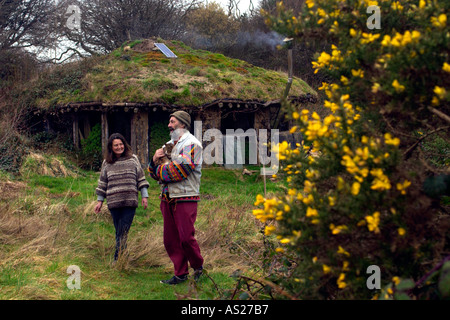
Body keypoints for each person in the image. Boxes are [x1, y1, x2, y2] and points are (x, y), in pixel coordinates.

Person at [148, 110, 204, 285]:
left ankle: (198, 267)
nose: (169, 125)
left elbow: (179, 171)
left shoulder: (193, 144)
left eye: (172, 122)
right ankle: (180, 273)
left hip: (186, 196)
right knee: (170, 239)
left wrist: (159, 170)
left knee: (186, 237)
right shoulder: (168, 144)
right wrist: (153, 161)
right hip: (167, 196)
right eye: (169, 122)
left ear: (183, 124)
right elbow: (152, 171)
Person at [95, 133, 149, 263]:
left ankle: (116, 259)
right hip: (114, 202)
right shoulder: (107, 163)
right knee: (119, 230)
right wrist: (99, 201)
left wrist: (144, 195)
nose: (119, 147)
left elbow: (141, 178)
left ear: (124, 144)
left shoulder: (133, 159)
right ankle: (124, 256)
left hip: (130, 201)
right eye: (116, 145)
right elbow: (103, 182)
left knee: (123, 230)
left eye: (121, 144)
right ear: (111, 147)